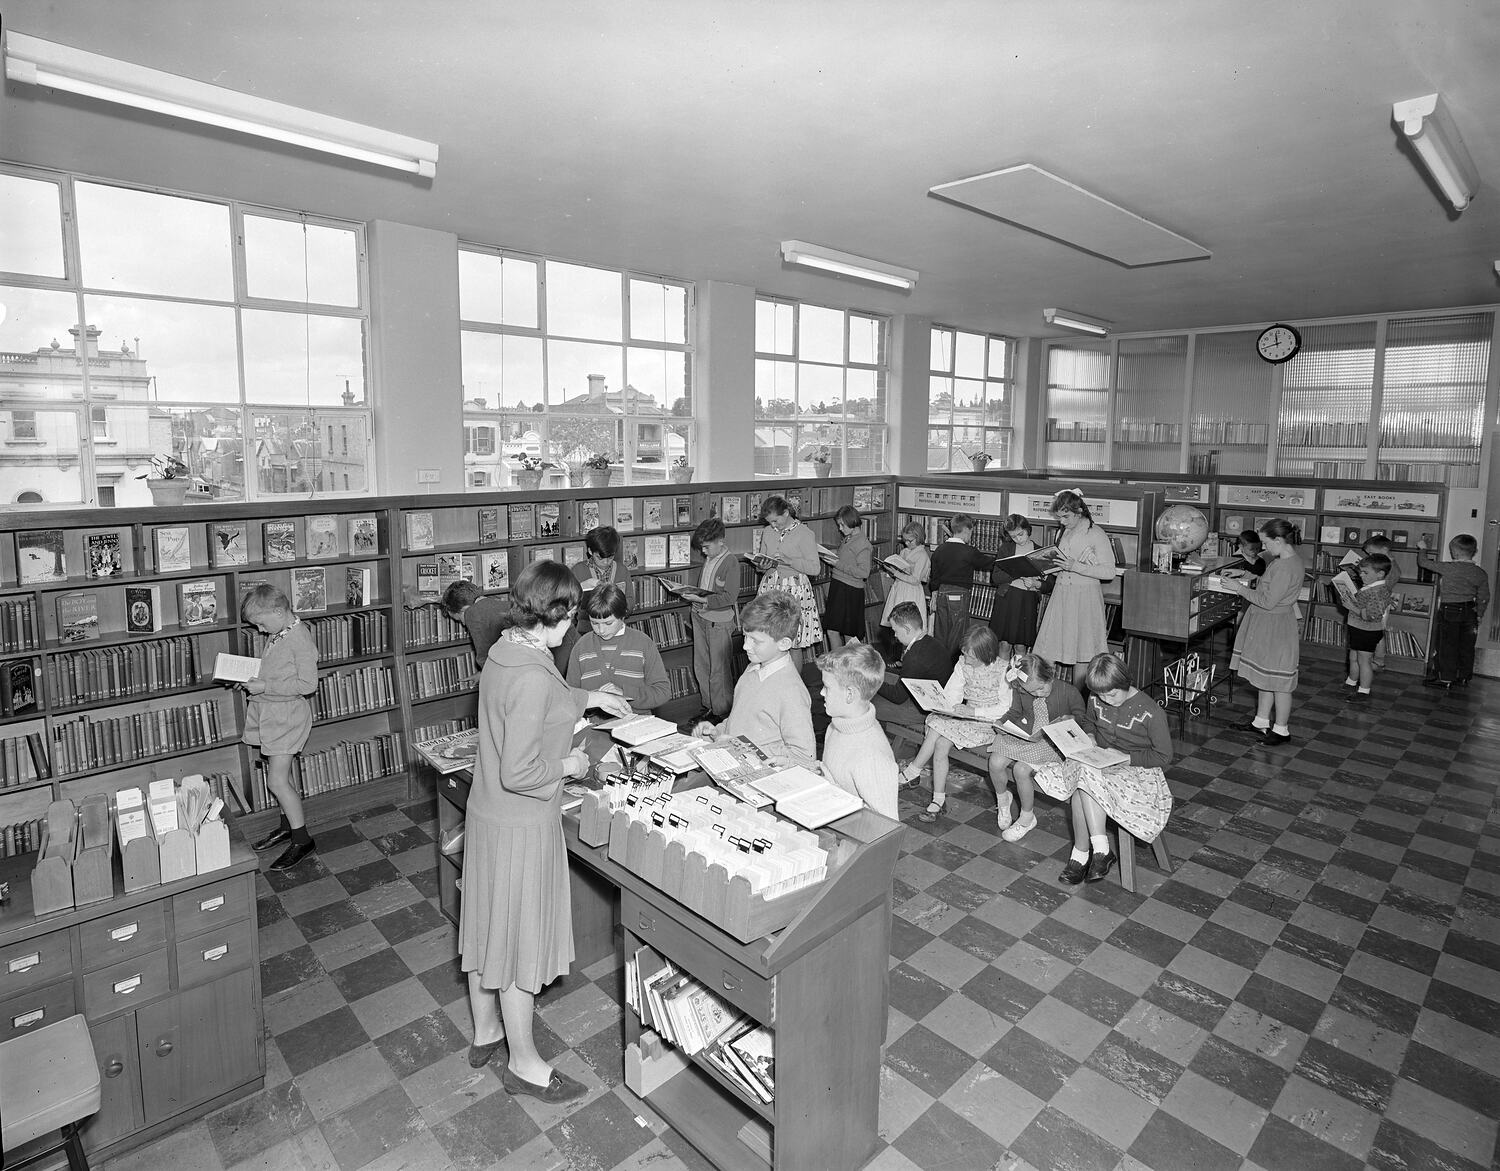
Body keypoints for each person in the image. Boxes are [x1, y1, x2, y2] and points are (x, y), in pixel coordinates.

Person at [460, 560, 631, 1102]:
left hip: (488, 816)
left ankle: (486, 1030)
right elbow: (522, 770)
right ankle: (525, 1064)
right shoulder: (534, 673)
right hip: (522, 824)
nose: (574, 626)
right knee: (519, 944)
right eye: (573, 615)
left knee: (489, 926)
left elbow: (538, 700)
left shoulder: (507, 651)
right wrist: (571, 768)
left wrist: (588, 699)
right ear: (559, 614)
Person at [1032, 652, 1173, 885]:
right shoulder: (1096, 697)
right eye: (1100, 695)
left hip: (1137, 770)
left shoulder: (1151, 712)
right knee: (1083, 778)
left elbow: (1164, 756)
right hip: (1101, 763)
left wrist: (1127, 758)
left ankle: (1083, 853)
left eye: (1112, 694)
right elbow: (1088, 721)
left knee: (1081, 786)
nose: (1106, 700)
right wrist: (1089, 735)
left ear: (1125, 682)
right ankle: (1099, 851)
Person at [240, 585, 319, 872]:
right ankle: (288, 826)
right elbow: (276, 669)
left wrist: (265, 686)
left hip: (288, 718)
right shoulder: (280, 630)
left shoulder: (299, 639)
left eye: (261, 623)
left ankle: (302, 840)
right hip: (273, 714)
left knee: (275, 781)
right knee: (282, 778)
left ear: (278, 611)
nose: (260, 630)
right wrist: (253, 680)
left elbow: (308, 685)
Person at [899, 625, 1010, 824]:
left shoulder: (1003, 670)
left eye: (971, 657)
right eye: (964, 654)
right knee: (939, 735)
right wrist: (942, 705)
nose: (965, 660)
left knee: (937, 730)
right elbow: (953, 692)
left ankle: (913, 772)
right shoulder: (963, 664)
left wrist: (974, 712)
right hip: (966, 717)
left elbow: (1005, 708)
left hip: (989, 722)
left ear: (986, 654)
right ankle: (937, 800)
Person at [693, 592, 816, 768]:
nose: (745, 646)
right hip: (735, 764)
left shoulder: (791, 692)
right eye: (745, 636)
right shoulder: (754, 667)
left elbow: (804, 757)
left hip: (762, 778)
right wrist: (716, 731)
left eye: (755, 641)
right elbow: (740, 718)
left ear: (784, 644)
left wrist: (741, 748)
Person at [987, 652, 1087, 842]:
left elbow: (1083, 719)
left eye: (1040, 688)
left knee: (1020, 768)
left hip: (1053, 743)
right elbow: (1015, 712)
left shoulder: (1068, 691)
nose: (1038, 694)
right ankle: (1003, 800)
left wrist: (1072, 719)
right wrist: (1002, 722)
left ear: (1049, 675)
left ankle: (1027, 817)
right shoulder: (1022, 689)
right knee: (995, 761)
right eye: (1032, 692)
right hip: (1029, 734)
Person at [1225, 518, 1303, 744]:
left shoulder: (1283, 566)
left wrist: (1238, 589)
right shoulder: (1289, 561)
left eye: (1265, 543)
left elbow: (1267, 601)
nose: (1263, 548)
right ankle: (1261, 722)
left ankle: (1281, 730)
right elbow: (1271, 586)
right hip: (1273, 623)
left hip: (1273, 625)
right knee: (1266, 676)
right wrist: (1248, 577)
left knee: (1279, 682)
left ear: (1278, 540)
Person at [1033, 489, 1116, 674]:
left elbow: (1109, 572)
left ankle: (1079, 700)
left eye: (1066, 516)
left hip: (1085, 599)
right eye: (1059, 517)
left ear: (1079, 511)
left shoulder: (1096, 533)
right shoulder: (1063, 532)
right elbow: (1062, 562)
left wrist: (1075, 566)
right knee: (1047, 650)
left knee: (1083, 653)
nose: (1062, 521)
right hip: (1061, 595)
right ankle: (1044, 697)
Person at [816, 643, 899, 820]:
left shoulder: (871, 757)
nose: (822, 692)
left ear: (850, 694)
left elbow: (887, 827)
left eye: (827, 687)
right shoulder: (836, 726)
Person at [566, 585, 672, 711]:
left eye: (608, 623)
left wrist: (625, 693)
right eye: (594, 623)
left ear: (622, 616)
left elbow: (663, 692)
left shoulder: (643, 643)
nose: (601, 630)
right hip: (593, 725)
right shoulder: (581, 647)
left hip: (636, 723)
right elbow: (570, 697)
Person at [754, 495, 823, 662]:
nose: (772, 525)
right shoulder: (767, 532)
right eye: (769, 522)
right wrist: (762, 565)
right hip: (770, 586)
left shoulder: (804, 533)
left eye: (775, 521)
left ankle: (792, 685)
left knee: (792, 642)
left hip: (795, 589)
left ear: (786, 513)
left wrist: (790, 561)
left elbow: (815, 568)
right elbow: (762, 563)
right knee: (767, 639)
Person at [556, 525, 633, 672]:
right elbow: (565, 604)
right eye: (600, 557)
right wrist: (580, 587)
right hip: (585, 632)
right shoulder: (578, 570)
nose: (606, 562)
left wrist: (617, 605)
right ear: (590, 551)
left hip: (615, 631)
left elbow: (630, 601)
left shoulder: (622, 570)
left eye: (610, 557)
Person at [1419, 533, 1490, 688]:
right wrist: (1479, 614)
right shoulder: (1480, 573)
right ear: (1474, 551)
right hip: (1470, 611)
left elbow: (1423, 562)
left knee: (1446, 644)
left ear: (1455, 553)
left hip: (1450, 609)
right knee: (1466, 646)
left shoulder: (1449, 568)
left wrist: (1423, 548)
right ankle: (1464, 677)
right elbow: (1484, 596)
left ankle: (1445, 678)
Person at [687, 517, 741, 721]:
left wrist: (704, 601)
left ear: (721, 541)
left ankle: (721, 711)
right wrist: (695, 599)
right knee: (702, 665)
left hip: (718, 622)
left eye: (707, 547)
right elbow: (705, 588)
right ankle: (709, 706)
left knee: (719, 670)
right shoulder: (709, 559)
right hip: (700, 617)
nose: (703, 552)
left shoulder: (730, 562)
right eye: (701, 548)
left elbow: (730, 597)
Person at [928, 513, 993, 661]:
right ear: (967, 530)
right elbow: (988, 563)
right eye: (971, 532)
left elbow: (935, 576)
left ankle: (939, 665)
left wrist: (934, 594)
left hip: (941, 594)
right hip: (959, 595)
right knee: (958, 634)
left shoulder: (940, 549)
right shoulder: (969, 551)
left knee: (941, 632)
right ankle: (953, 667)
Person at [875, 601, 951, 718]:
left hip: (928, 710)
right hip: (934, 694)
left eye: (895, 631)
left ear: (907, 629)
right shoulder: (930, 641)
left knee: (871, 704)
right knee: (883, 675)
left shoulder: (914, 657)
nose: (895, 635)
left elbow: (897, 697)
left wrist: (871, 682)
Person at [1335, 553, 1394, 703]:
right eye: (1361, 571)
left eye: (1365, 572)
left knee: (1364, 661)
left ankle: (1364, 691)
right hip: (1358, 628)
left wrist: (1351, 607)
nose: (1361, 575)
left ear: (1380, 574)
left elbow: (1373, 615)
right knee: (1353, 657)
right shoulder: (1370, 588)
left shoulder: (1379, 591)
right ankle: (1351, 682)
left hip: (1367, 631)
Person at [988, 513, 1044, 654]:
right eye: (1013, 536)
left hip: (1027, 601)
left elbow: (1049, 584)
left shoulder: (1040, 551)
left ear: (1028, 529)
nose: (1018, 539)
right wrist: (1016, 571)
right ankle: (1002, 676)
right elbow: (995, 578)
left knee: (1021, 646)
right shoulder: (1006, 549)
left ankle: (1019, 676)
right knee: (1004, 645)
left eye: (1021, 534)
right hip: (1007, 598)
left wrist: (1036, 584)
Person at [821, 506, 872, 649]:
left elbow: (864, 572)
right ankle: (837, 666)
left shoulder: (862, 543)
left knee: (849, 634)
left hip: (850, 590)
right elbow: (847, 558)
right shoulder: (848, 538)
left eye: (842, 525)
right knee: (832, 630)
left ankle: (851, 667)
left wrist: (838, 563)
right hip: (839, 586)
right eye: (839, 525)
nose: (840, 528)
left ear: (852, 522)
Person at [877, 521, 930, 659]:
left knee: (908, 624)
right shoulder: (904, 551)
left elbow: (916, 579)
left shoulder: (922, 555)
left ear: (919, 538)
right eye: (904, 540)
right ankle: (896, 656)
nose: (907, 543)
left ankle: (908, 657)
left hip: (911, 591)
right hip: (899, 588)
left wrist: (897, 573)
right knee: (895, 622)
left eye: (910, 541)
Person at [441, 580, 512, 662]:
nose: (464, 624)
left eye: (460, 620)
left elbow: (485, 662)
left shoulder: (474, 615)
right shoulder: (505, 605)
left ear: (466, 609)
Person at [1361, 535, 1394, 670]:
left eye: (1372, 553)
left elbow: (1385, 586)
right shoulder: (1384, 564)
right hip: (1374, 600)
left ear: (1385, 549)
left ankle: (1379, 661)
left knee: (1378, 632)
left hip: (1380, 604)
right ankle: (1371, 657)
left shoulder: (1391, 567)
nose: (1370, 556)